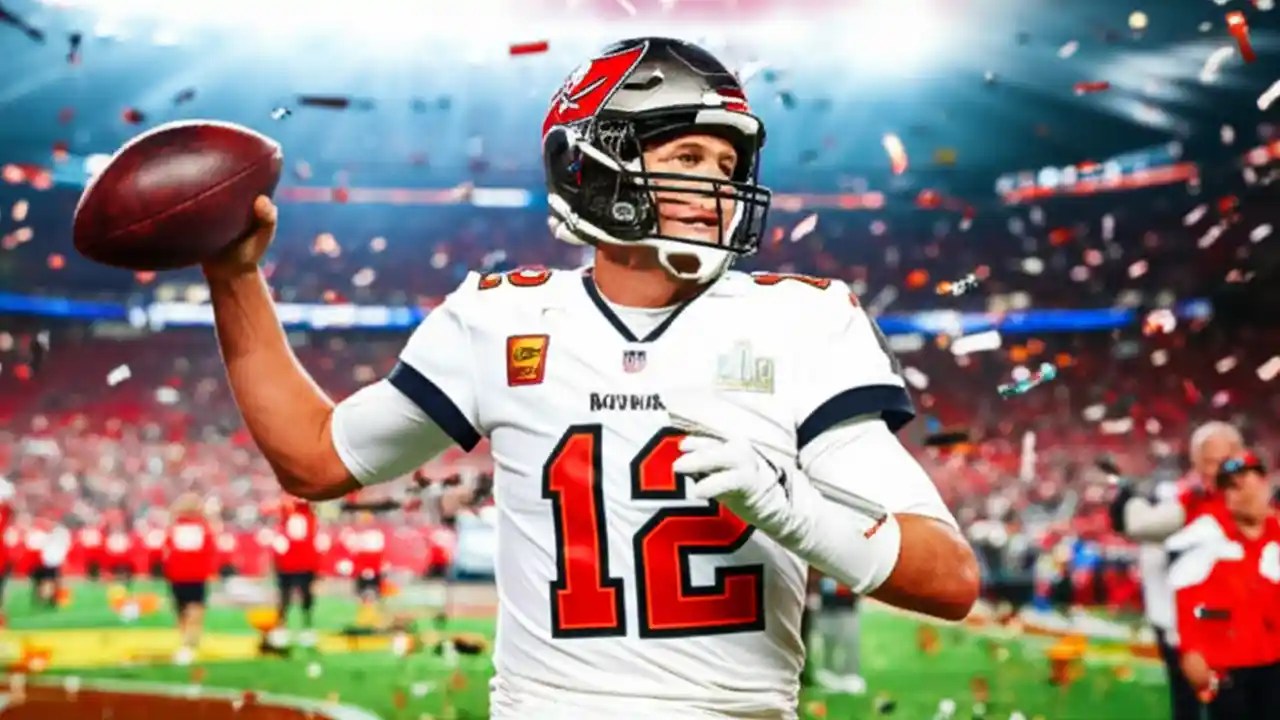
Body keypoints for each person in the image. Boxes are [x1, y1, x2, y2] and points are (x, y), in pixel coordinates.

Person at [200, 36, 977, 718]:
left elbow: (950, 578)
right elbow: (314, 457)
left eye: (727, 163)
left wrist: (795, 510)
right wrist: (234, 277)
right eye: (686, 158)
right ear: (591, 164)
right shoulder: (500, 320)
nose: (718, 188)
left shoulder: (801, 324)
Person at [1109, 421, 1244, 720]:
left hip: (1236, 622)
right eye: (1208, 462)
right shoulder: (1180, 498)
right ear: (1195, 462)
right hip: (1179, 623)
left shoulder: (1251, 500)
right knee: (1190, 704)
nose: (1215, 470)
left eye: (1223, 461)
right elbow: (1133, 525)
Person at [1168, 451, 1280, 718]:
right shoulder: (1206, 537)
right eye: (1229, 488)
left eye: (1243, 483)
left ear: (1264, 484)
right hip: (1228, 667)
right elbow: (1185, 601)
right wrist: (1191, 650)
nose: (1238, 493)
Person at [163, 494, 216, 665]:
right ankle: (191, 639)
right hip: (195, 575)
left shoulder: (175, 527)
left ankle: (185, 639)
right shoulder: (203, 527)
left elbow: (167, 550)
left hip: (178, 574)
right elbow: (210, 550)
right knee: (195, 607)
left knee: (182, 608)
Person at [270, 497, 321, 649]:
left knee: (305, 596)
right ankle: (282, 628)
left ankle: (306, 627)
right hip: (289, 562)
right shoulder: (287, 511)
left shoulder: (308, 513)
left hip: (304, 561)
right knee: (285, 596)